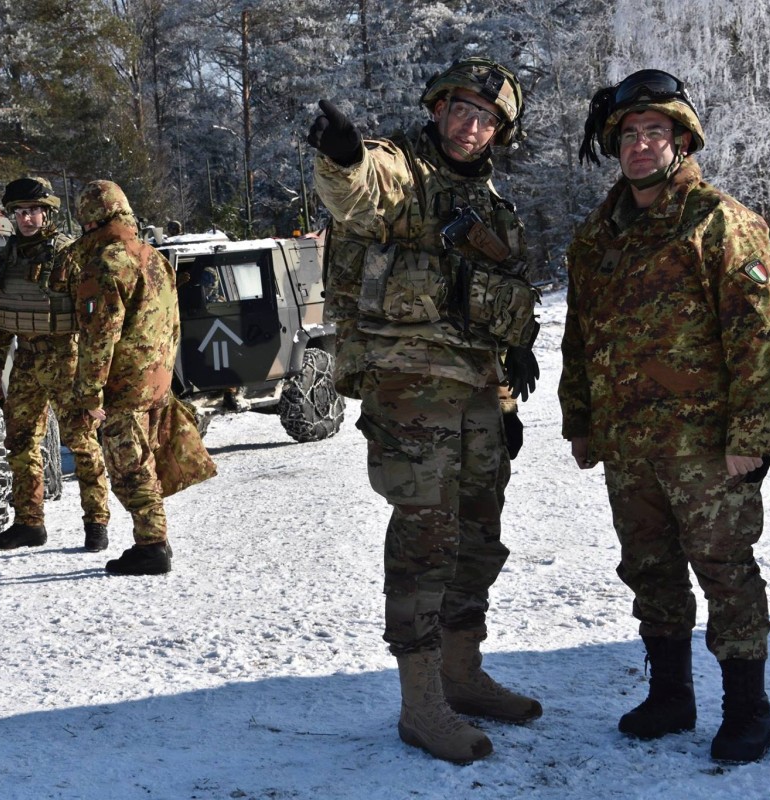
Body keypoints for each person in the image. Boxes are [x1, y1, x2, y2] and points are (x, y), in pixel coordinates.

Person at [308, 57, 542, 764]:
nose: (471, 126)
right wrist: (343, 156)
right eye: (460, 110)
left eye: (487, 118)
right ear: (437, 110)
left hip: (474, 389)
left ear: (500, 133)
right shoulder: (402, 172)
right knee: (426, 537)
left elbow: (490, 299)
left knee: (479, 532)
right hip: (410, 387)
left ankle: (462, 673)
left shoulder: (492, 205)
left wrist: (507, 381)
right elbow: (357, 189)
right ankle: (421, 703)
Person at [562, 69, 770, 764]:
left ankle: (748, 708)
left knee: (724, 570)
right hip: (630, 445)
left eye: (654, 132)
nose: (640, 145)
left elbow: (761, 339)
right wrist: (582, 421)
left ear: (682, 140)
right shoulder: (597, 238)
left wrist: (751, 436)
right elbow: (579, 334)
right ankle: (671, 696)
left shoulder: (721, 222)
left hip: (707, 447)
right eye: (629, 134)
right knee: (649, 570)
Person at [0, 176, 111, 552]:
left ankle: (96, 523)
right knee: (20, 442)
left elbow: (93, 318)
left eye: (33, 211)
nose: (26, 219)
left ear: (47, 212)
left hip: (65, 358)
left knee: (82, 442)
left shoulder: (68, 254)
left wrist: (93, 374)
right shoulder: (6, 257)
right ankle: (29, 523)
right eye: (20, 212)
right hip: (25, 360)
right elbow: (1, 315)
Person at [71, 180, 181, 576]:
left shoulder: (105, 264)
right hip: (156, 381)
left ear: (89, 218)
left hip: (125, 386)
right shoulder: (155, 258)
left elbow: (99, 337)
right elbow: (172, 324)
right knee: (144, 462)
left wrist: (88, 394)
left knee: (129, 468)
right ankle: (154, 540)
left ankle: (151, 546)